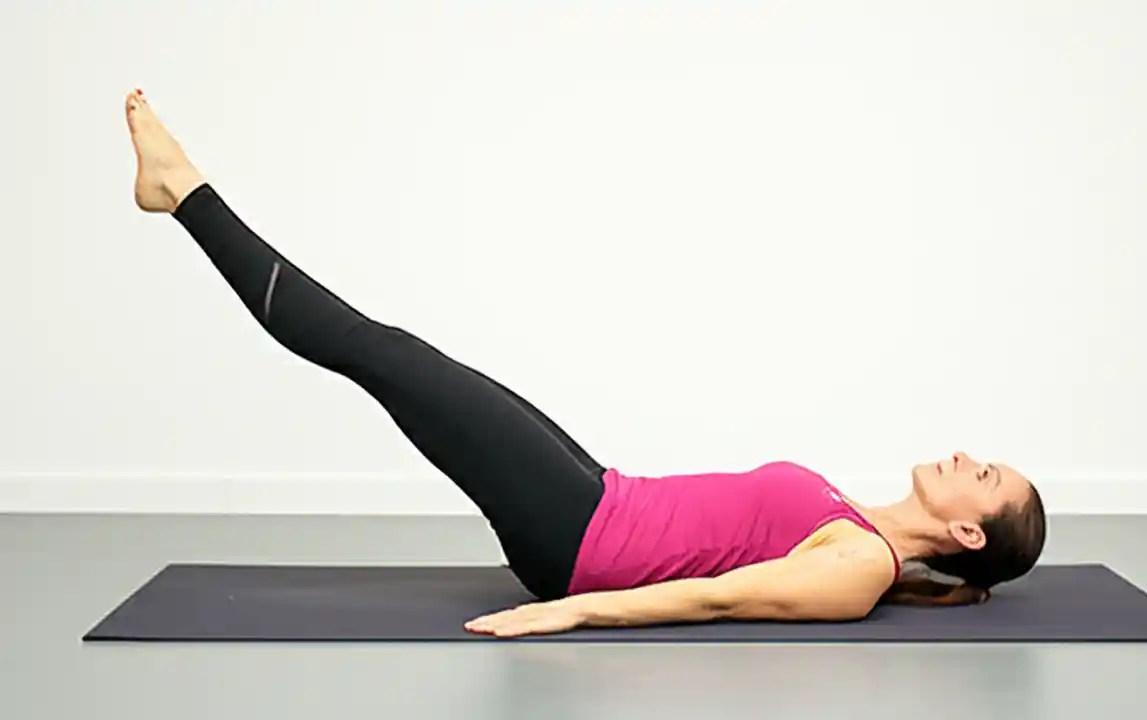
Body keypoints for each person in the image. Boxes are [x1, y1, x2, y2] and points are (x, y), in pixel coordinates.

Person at [122, 89, 1047, 638]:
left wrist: (569, 613)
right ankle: (180, 193)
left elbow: (722, 600)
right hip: (598, 491)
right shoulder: (855, 517)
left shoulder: (864, 567)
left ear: (970, 534)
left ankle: (184, 193)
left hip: (579, 541)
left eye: (986, 476)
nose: (969, 457)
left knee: (381, 354)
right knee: (405, 355)